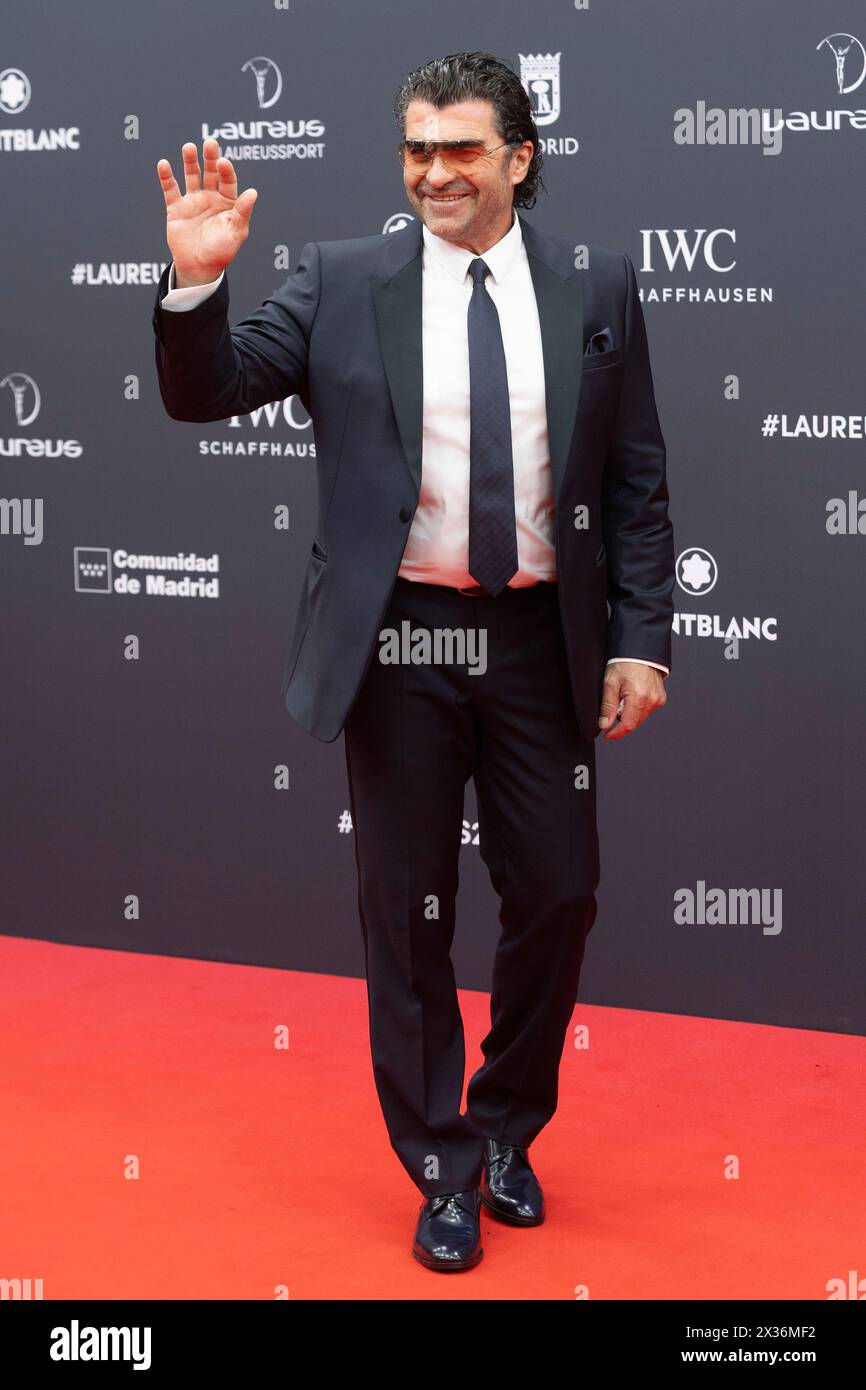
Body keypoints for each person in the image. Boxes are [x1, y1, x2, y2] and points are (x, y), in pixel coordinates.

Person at [153, 50, 674, 1273]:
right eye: (416, 149)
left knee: (558, 894)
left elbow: (635, 476)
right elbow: (208, 392)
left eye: (460, 149)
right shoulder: (339, 281)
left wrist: (642, 639)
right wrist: (193, 287)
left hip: (541, 640)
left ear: (518, 157)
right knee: (405, 913)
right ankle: (440, 1167)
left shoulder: (596, 286)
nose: (434, 172)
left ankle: (505, 1124)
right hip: (395, 645)